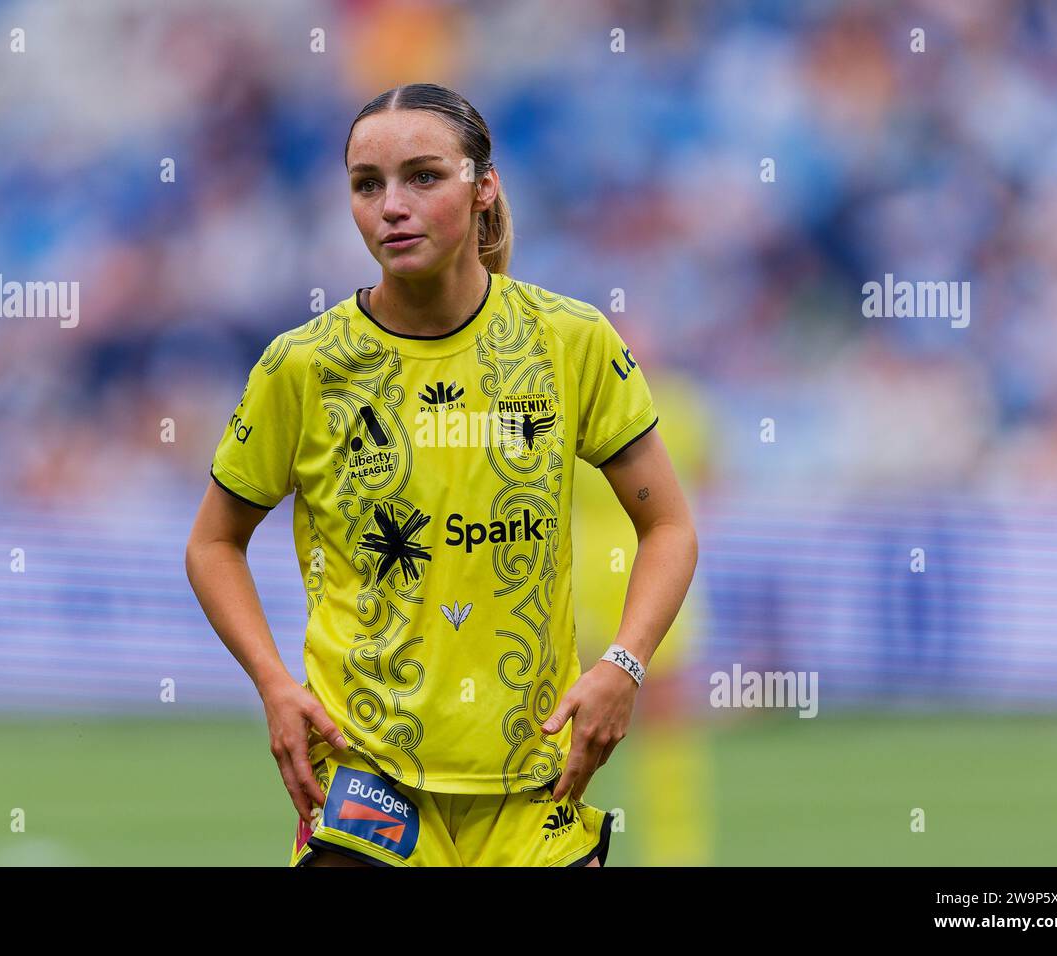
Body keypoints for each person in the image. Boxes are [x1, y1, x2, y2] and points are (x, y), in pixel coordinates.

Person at [185, 82, 698, 867]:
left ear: (482, 186)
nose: (392, 205)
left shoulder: (571, 342)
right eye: (368, 184)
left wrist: (622, 665)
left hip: (535, 784)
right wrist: (273, 684)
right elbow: (214, 544)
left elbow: (668, 526)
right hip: (364, 782)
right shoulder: (304, 367)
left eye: (423, 176)